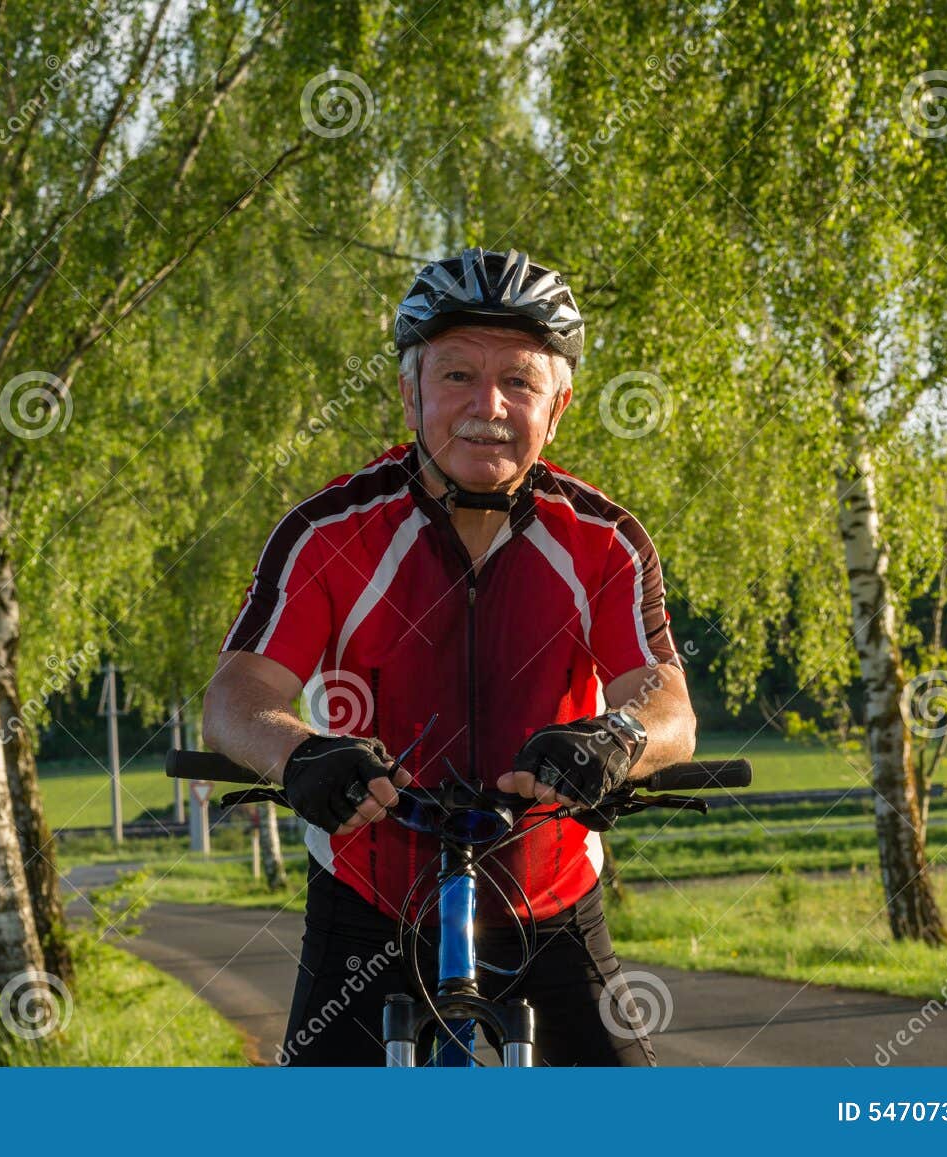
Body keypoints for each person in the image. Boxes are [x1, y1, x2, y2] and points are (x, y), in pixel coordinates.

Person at [203, 247, 697, 1065]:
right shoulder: (329, 533)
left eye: (520, 381)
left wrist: (619, 738)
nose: (488, 406)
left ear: (560, 404)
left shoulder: (606, 543)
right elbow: (237, 694)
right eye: (458, 375)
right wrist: (301, 753)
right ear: (409, 391)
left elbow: (666, 700)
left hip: (550, 910)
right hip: (369, 909)